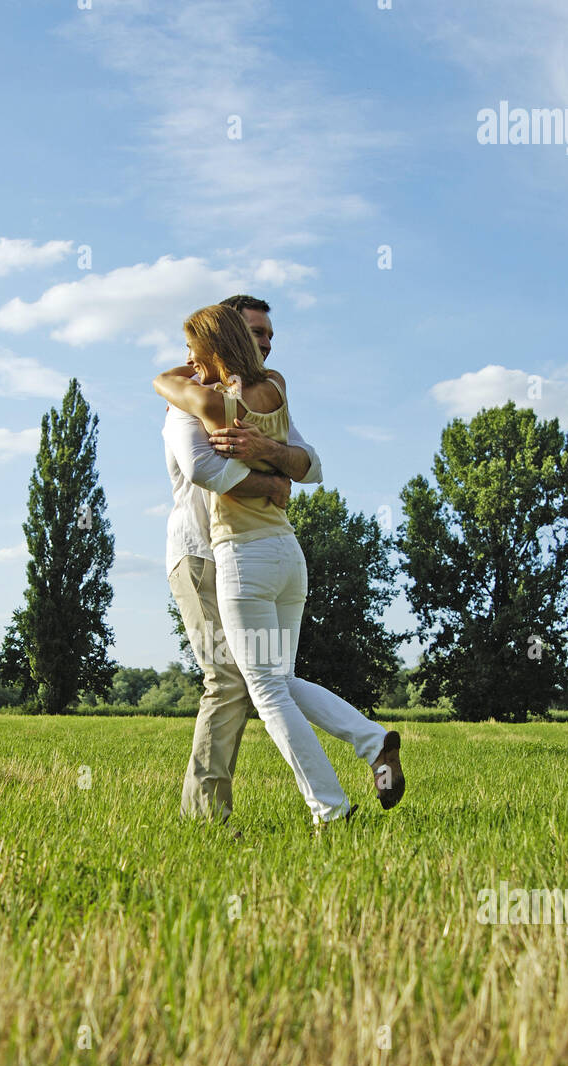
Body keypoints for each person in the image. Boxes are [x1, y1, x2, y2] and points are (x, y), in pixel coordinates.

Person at [155, 302, 404, 828]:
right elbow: (209, 465)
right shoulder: (262, 394)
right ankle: (371, 742)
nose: (266, 343)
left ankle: (319, 810)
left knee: (255, 685)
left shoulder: (222, 400)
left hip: (242, 558)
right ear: (232, 338)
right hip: (208, 554)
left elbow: (309, 463)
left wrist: (269, 451)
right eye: (255, 333)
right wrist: (271, 478)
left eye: (270, 334)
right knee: (248, 681)